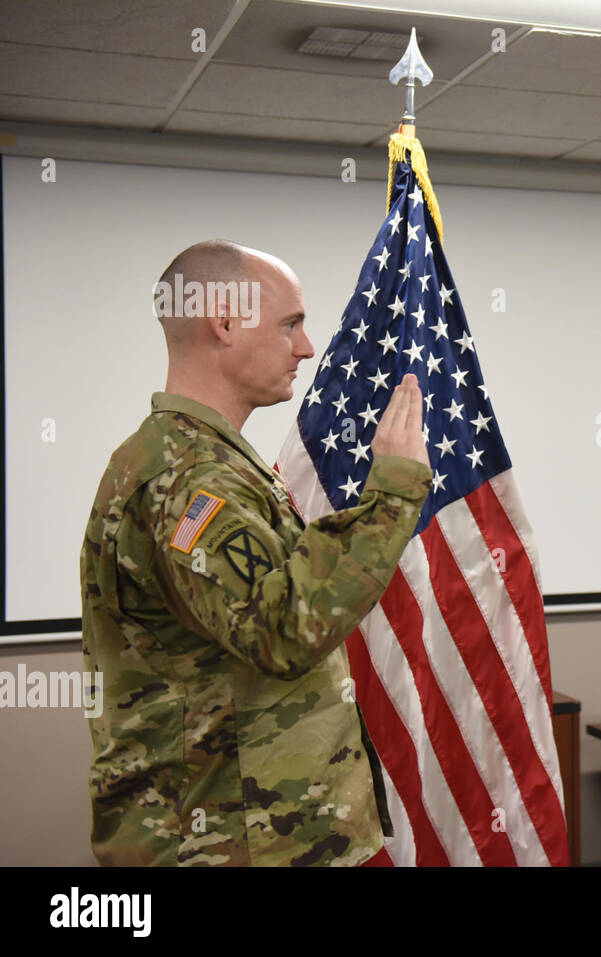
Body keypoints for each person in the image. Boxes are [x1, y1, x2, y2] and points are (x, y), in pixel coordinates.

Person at [79, 239, 433, 866]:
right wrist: (392, 496)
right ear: (224, 322)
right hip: (231, 844)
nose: (306, 346)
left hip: (258, 834)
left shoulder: (202, 459)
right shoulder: (189, 478)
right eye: (290, 324)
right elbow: (282, 629)